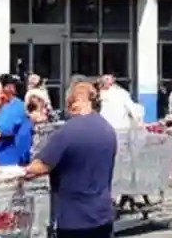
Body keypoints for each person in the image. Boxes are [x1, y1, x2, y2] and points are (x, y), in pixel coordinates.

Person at [24, 81, 117, 238]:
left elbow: (38, 167)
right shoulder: (108, 129)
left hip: (74, 220)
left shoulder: (67, 132)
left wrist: (18, 171)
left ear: (73, 102)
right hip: (103, 215)